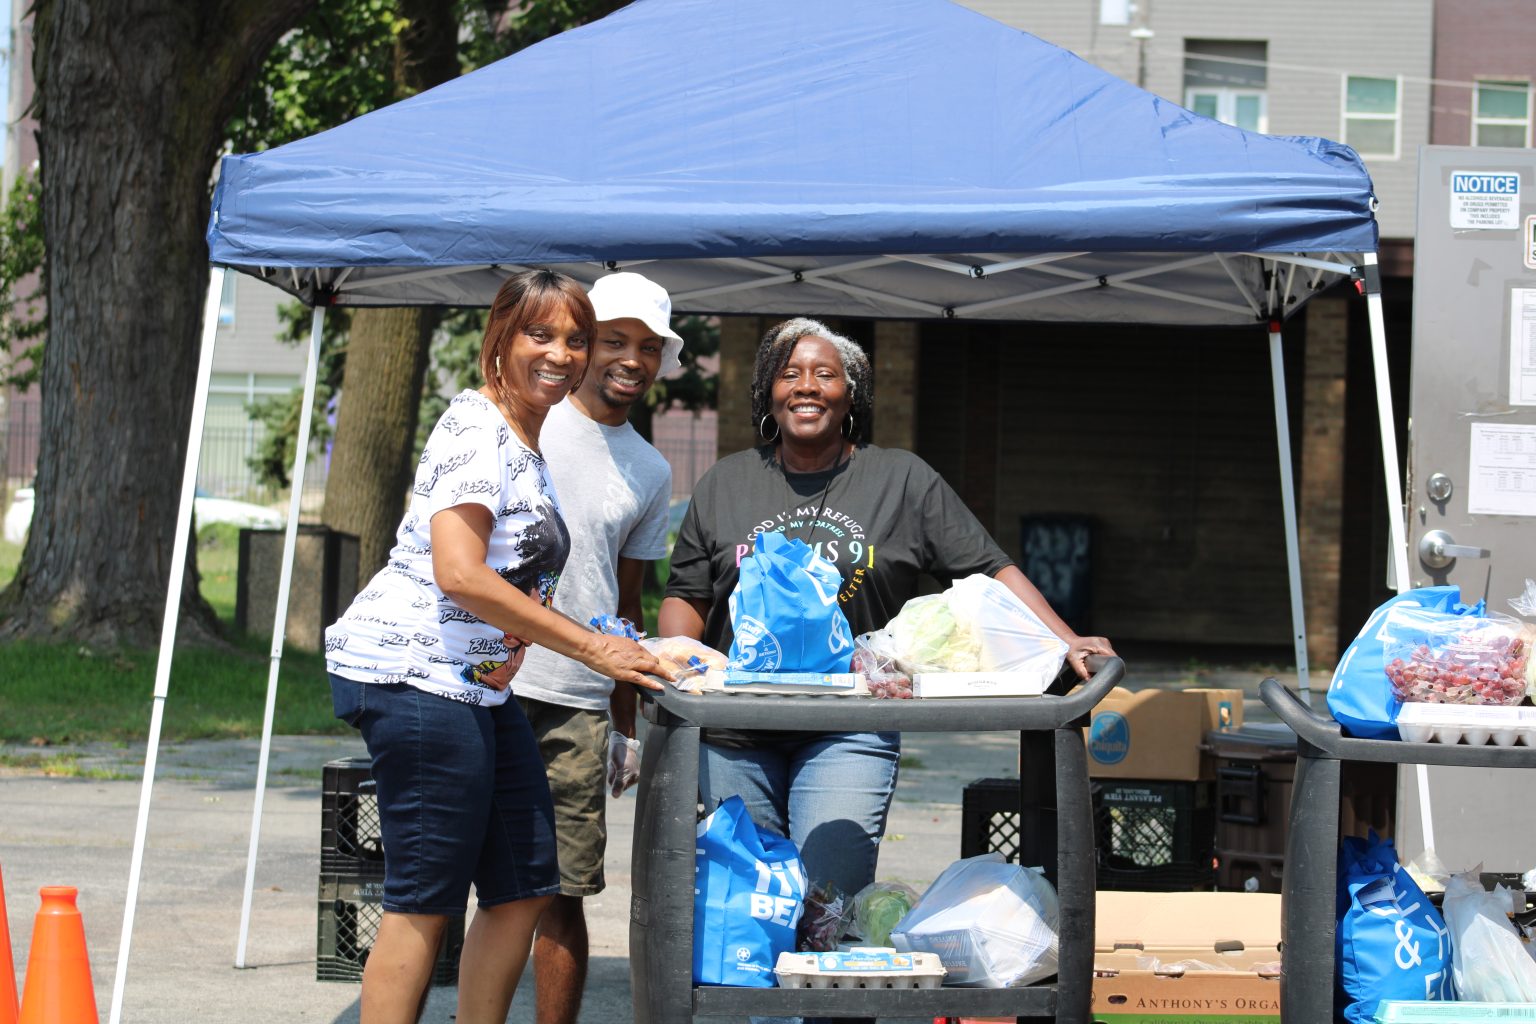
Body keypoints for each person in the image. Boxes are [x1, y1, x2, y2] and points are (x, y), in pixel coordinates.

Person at [660, 317, 1114, 1024]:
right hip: (734, 732)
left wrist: (1064, 640)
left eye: (825, 373)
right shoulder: (725, 485)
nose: (806, 385)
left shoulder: (901, 479)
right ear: (767, 392)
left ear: (852, 393)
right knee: (754, 911)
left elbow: (989, 569)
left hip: (851, 729)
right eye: (789, 372)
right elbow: (686, 595)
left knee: (829, 904)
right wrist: (676, 664)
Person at [324, 269, 669, 1024]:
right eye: (539, 334)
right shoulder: (474, 426)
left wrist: (624, 661)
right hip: (416, 674)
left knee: (525, 882)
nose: (561, 353)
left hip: (479, 688)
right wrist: (590, 650)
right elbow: (459, 573)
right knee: (427, 896)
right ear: (501, 340)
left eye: (575, 339)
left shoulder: (528, 439)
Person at [510, 272, 681, 1024]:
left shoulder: (651, 469)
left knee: (561, 892)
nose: (631, 359)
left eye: (648, 347)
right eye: (614, 340)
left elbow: (627, 603)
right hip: (487, 684)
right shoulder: (524, 418)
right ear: (583, 342)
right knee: (456, 882)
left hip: (578, 704)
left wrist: (624, 726)